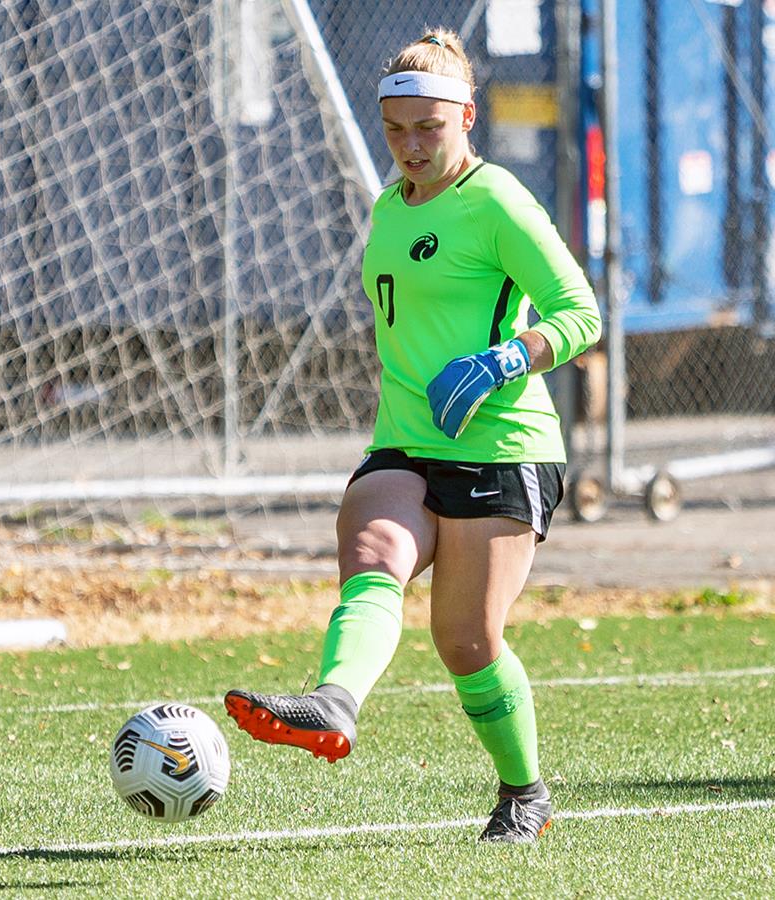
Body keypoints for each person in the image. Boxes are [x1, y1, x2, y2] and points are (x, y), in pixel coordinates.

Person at [224, 28, 601, 844]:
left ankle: (524, 791)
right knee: (372, 553)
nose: (411, 147)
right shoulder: (390, 208)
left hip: (504, 448)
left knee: (465, 642)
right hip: (404, 441)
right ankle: (333, 701)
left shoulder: (497, 199)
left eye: (429, 128)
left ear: (467, 115)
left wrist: (505, 359)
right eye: (397, 131)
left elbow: (582, 314)